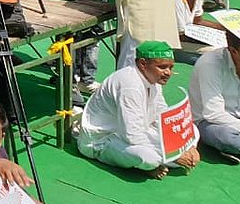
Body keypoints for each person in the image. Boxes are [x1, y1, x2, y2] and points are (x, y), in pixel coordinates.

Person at [76, 40, 200, 177]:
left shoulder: (153, 78)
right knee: (150, 158)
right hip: (102, 140)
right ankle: (148, 165)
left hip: (136, 130)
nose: (168, 73)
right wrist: (175, 155)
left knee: (192, 130)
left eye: (171, 68)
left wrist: (185, 144)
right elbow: (131, 135)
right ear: (143, 64)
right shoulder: (129, 85)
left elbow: (161, 116)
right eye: (162, 67)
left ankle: (160, 160)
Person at [189, 30, 240, 161]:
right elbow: (213, 113)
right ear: (233, 51)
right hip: (210, 123)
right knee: (228, 139)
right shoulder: (210, 64)